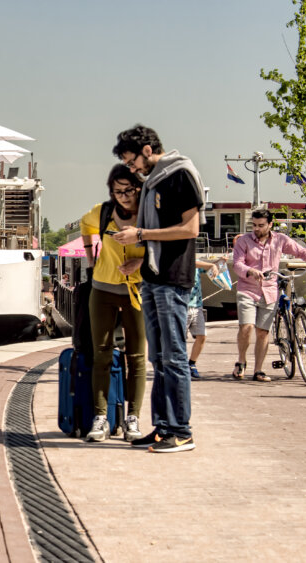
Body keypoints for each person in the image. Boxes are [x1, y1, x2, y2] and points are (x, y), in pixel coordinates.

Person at [113, 124, 205, 453]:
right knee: (160, 358)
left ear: (148, 150)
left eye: (132, 161)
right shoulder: (153, 181)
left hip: (171, 279)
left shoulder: (180, 173)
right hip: (152, 276)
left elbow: (190, 228)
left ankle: (181, 431)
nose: (131, 168)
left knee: (175, 357)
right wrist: (141, 255)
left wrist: (140, 236)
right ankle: (163, 427)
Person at [79, 164, 147, 442]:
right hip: (103, 289)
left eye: (129, 190)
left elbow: (164, 246)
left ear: (139, 188)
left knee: (137, 357)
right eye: (118, 191)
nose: (124, 196)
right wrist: (91, 259)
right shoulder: (103, 212)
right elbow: (85, 223)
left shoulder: (149, 215)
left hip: (137, 290)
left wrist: (140, 261)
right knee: (102, 354)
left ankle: (133, 418)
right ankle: (101, 418)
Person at [230, 208, 306, 382]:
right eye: (254, 225)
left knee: (262, 332)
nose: (257, 229)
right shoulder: (244, 241)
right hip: (247, 289)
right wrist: (250, 270)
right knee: (247, 327)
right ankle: (241, 361)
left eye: (261, 225)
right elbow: (237, 264)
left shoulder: (280, 240)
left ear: (270, 225)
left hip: (269, 291)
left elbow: (301, 251)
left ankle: (258, 370)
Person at [187, 259, 221, 379]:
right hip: (181, 305)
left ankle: (191, 363)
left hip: (197, 306)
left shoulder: (197, 266)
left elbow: (205, 266)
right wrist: (211, 264)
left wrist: (218, 262)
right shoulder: (183, 260)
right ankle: (177, 365)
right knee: (178, 339)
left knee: (202, 336)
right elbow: (193, 261)